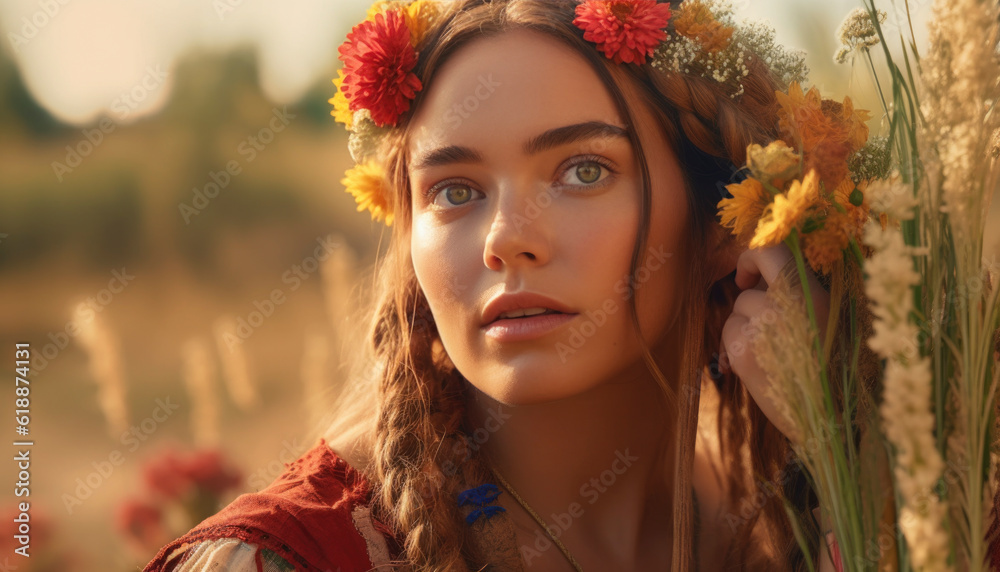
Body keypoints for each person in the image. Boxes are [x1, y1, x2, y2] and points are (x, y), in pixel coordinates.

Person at [143, 0, 873, 570]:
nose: (503, 238)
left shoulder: (800, 523)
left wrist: (847, 448)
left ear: (727, 223)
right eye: (455, 190)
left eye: (584, 171)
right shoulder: (287, 558)